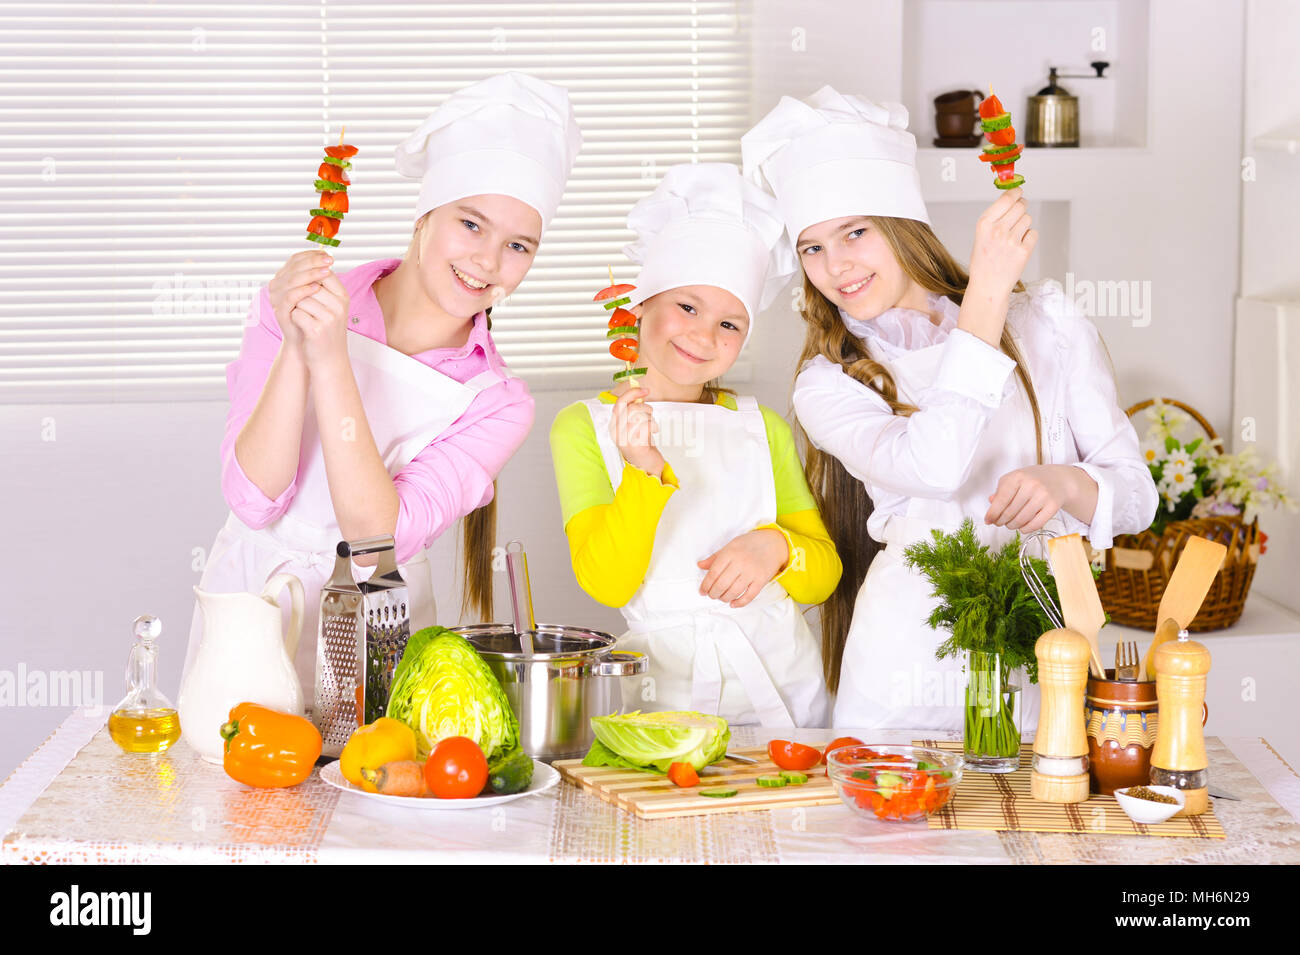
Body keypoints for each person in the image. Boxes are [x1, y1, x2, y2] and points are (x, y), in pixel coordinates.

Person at [741, 87, 1158, 730]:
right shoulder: (829, 384)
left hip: (1040, 637)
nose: (836, 265)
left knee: (1041, 820)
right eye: (811, 247)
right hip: (907, 656)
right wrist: (985, 299)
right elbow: (934, 465)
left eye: (856, 231)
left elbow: (1136, 497)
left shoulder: (1046, 321)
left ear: (904, 227)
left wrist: (1068, 482)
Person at [183, 72, 583, 706]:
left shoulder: (497, 402)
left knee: (372, 789)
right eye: (471, 224)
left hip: (377, 633)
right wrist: (296, 343)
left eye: (518, 246)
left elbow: (374, 546)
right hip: (251, 607)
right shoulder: (296, 301)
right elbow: (254, 498)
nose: (487, 261)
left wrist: (332, 359)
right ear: (426, 212)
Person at [549, 163, 842, 727]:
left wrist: (777, 546)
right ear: (639, 308)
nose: (705, 337)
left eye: (731, 325)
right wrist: (642, 470)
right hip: (665, 694)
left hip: (783, 684)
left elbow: (823, 574)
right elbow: (607, 582)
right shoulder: (582, 427)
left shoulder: (764, 427)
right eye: (687, 307)